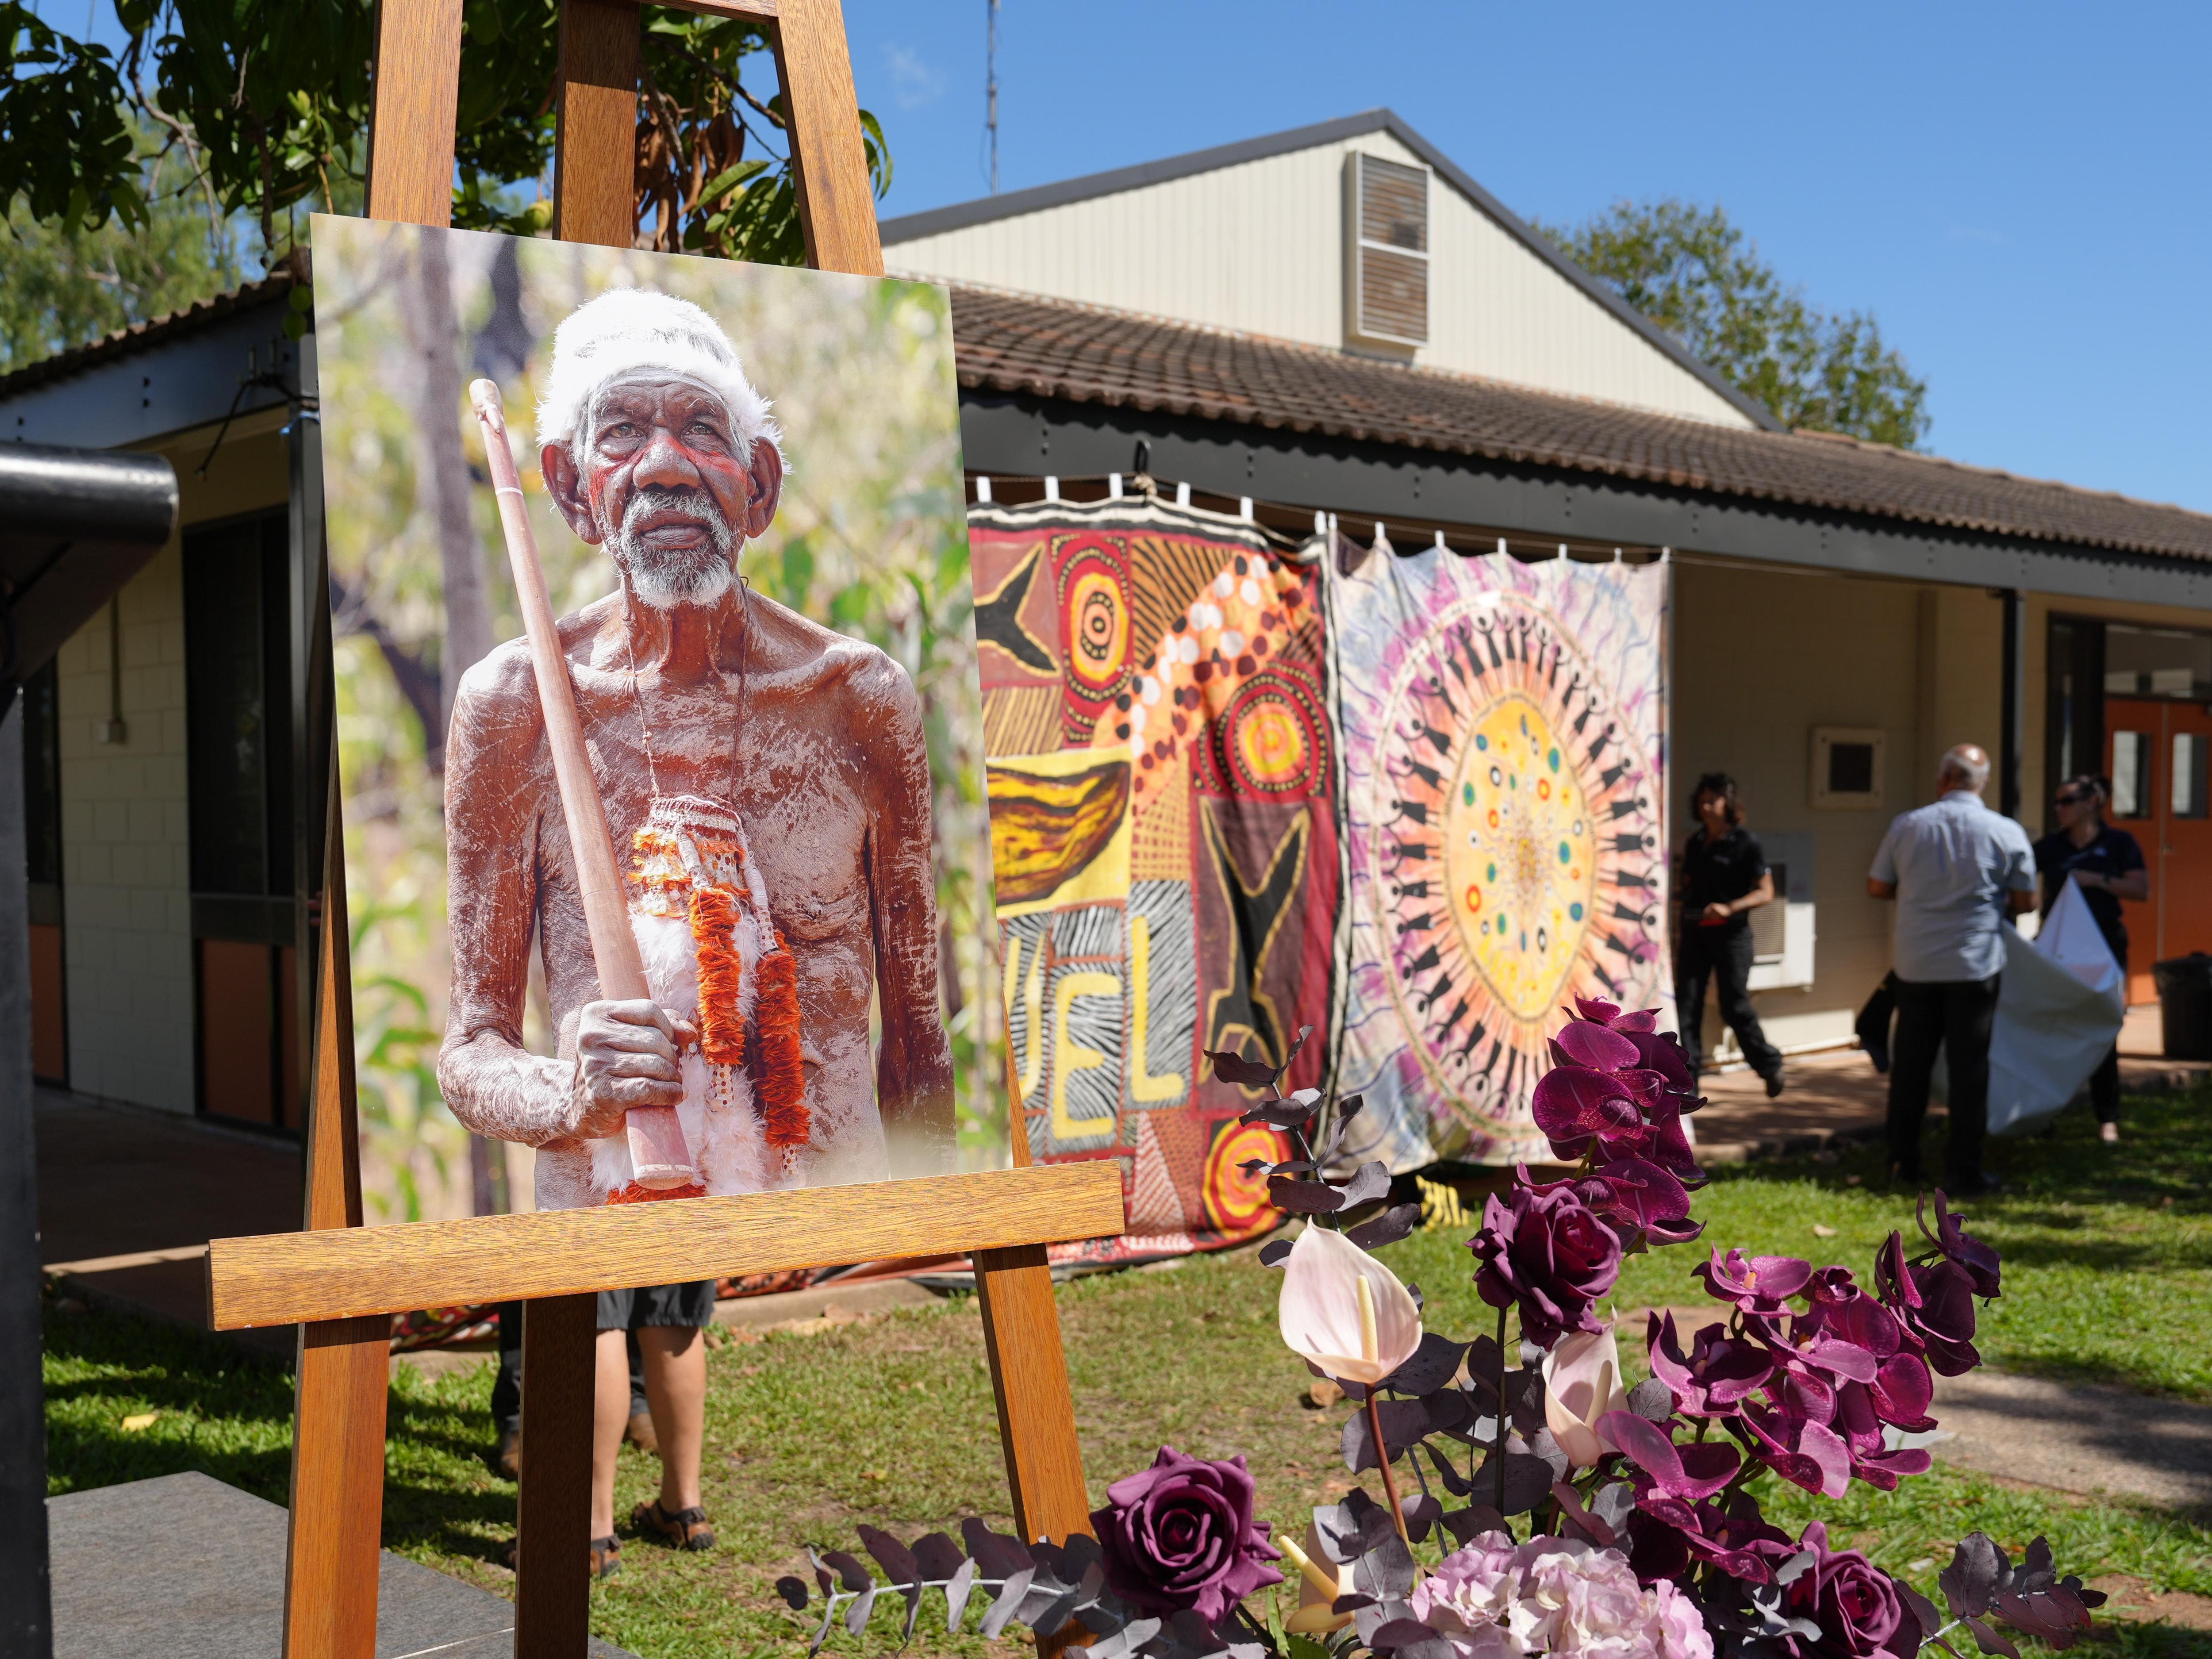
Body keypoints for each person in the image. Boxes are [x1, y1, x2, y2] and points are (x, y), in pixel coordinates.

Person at [438, 288, 957, 1575]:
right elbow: (470, 1048)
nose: (665, 464)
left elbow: (919, 1033)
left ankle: (679, 1497)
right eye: (622, 432)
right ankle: (595, 1522)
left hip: (811, 1225)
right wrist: (567, 1092)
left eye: (702, 431)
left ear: (758, 482)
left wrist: (938, 1221)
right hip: (611, 1192)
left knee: (677, 1324)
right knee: (610, 1317)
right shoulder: (513, 706)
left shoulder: (857, 700)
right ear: (568, 485)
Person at [1867, 743, 2035, 1192]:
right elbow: (2026, 901)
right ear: (1983, 784)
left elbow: (1877, 885)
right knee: (1969, 1071)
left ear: (1943, 779)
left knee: (1910, 1068)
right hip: (1974, 966)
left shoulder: (1908, 825)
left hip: (1916, 964)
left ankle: (1903, 1163)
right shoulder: (2005, 831)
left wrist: (1918, 896)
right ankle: (1963, 1169)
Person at [2034, 775, 2147, 1143]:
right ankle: (2044, 1114)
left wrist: (2097, 881)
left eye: (2067, 801)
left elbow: (2141, 888)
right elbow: (2018, 882)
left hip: (2104, 946)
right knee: (2052, 1029)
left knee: (2103, 1028)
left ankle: (2107, 1119)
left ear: (2091, 803)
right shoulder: (2050, 846)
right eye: (2057, 802)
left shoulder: (2118, 843)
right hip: (2059, 948)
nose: (2059, 809)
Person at [1674, 773, 1786, 1097]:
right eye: (1702, 801)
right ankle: (1687, 1084)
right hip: (1696, 934)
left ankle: (1769, 1065)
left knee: (1734, 1006)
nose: (1706, 807)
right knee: (1687, 1007)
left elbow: (1765, 892)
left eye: (1713, 800)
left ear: (1728, 803)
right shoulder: (1696, 843)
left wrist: (1729, 908)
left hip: (1732, 937)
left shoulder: (1746, 844)